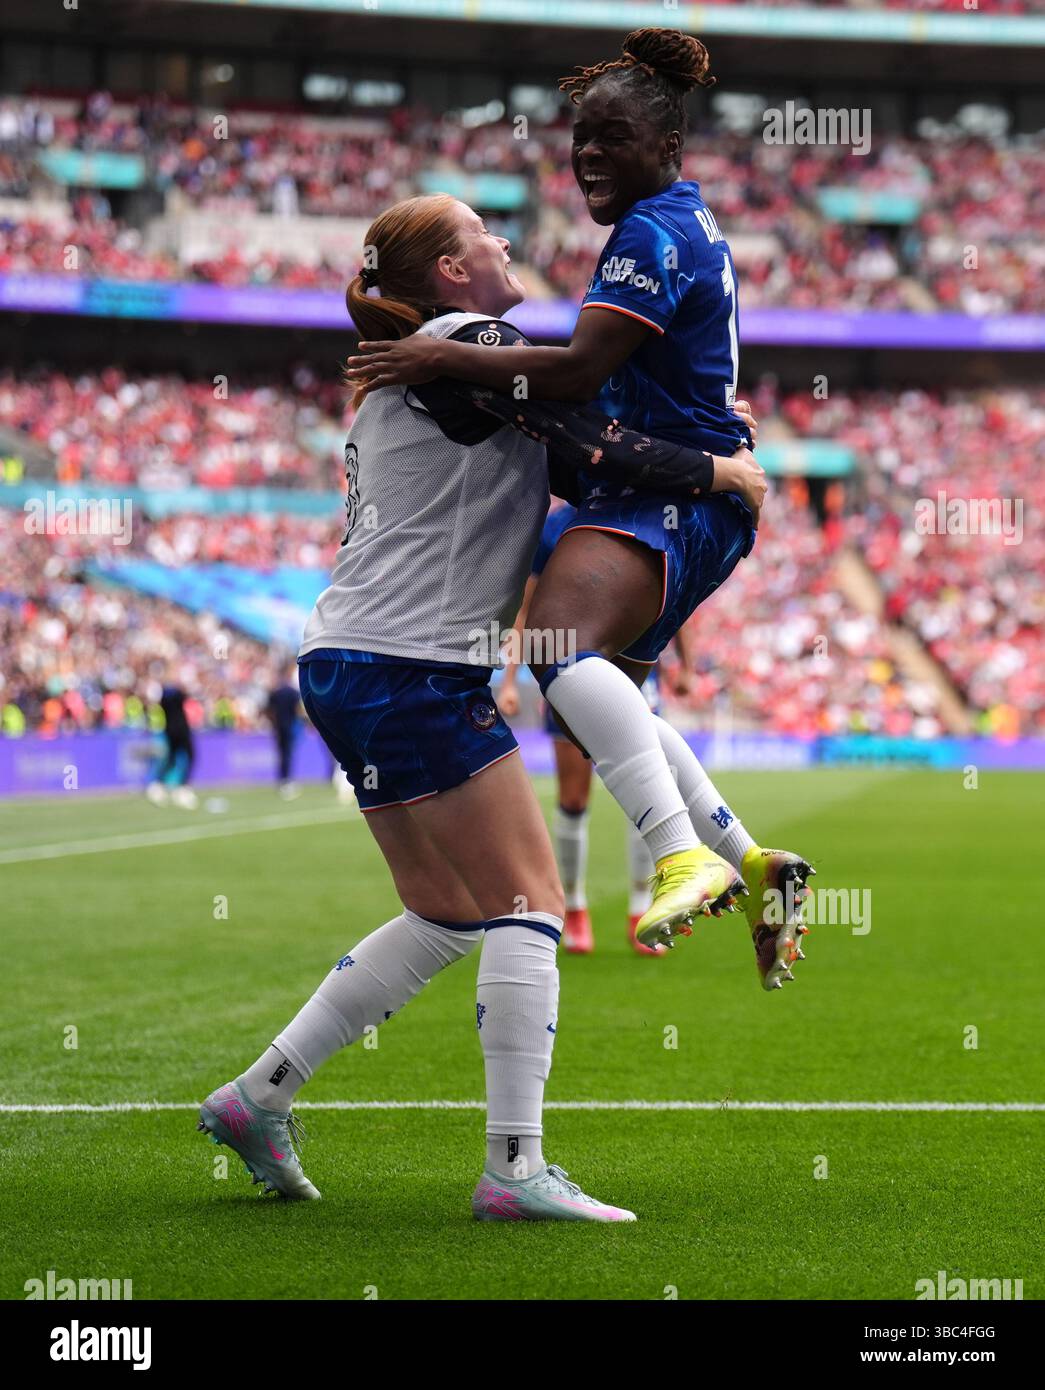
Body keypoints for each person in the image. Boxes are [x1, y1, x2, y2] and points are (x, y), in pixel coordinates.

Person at [198, 192, 760, 1221]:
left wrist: (687, 431)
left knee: (446, 910)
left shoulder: (434, 367)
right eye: (482, 235)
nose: (503, 243)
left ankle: (256, 1096)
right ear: (452, 274)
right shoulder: (473, 341)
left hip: (344, 660)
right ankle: (513, 1167)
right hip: (414, 666)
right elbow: (591, 444)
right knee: (529, 900)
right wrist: (717, 467)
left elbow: (571, 448)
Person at [346, 27, 813, 987]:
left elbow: (573, 374)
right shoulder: (675, 222)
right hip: (665, 495)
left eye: (610, 138)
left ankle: (677, 853)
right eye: (579, 139)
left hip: (663, 497)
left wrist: (440, 356)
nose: (587, 156)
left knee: (555, 647)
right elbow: (581, 391)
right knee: (608, 693)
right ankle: (748, 858)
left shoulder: (648, 234)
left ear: (667, 147)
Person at [146, 678, 197, 809]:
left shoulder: (166, 699)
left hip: (171, 731)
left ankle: (162, 785)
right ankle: (174, 786)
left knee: (171, 759)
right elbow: (182, 694)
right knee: (183, 756)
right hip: (178, 731)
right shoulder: (171, 697)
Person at [266, 664, 302, 800]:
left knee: (281, 754)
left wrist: (273, 723)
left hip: (279, 727)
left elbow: (269, 711)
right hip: (290, 726)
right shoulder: (293, 692)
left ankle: (282, 780)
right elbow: (298, 710)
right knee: (288, 754)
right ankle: (286, 780)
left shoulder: (275, 692)